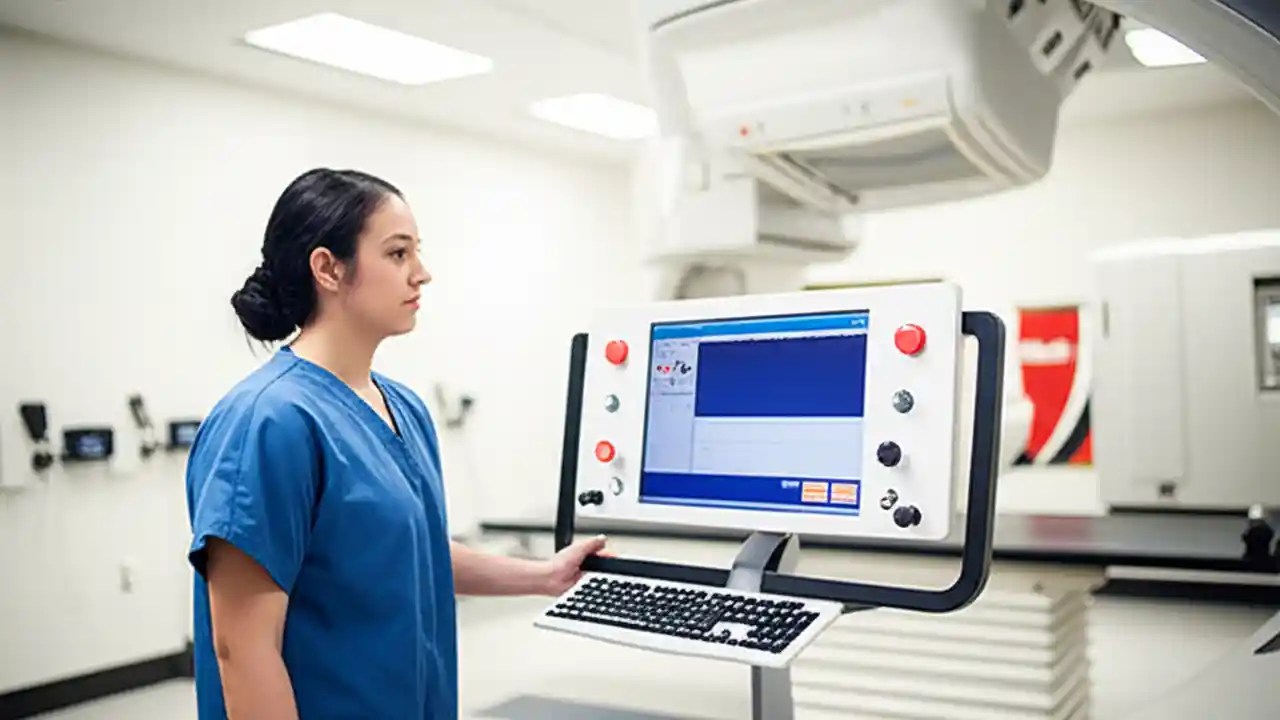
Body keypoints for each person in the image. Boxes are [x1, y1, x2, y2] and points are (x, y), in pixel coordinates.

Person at [185, 167, 606, 719]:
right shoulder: (268, 422)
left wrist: (544, 576)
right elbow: (241, 648)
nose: (422, 274)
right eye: (398, 253)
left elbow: (410, 551)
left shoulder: (401, 406)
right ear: (328, 268)